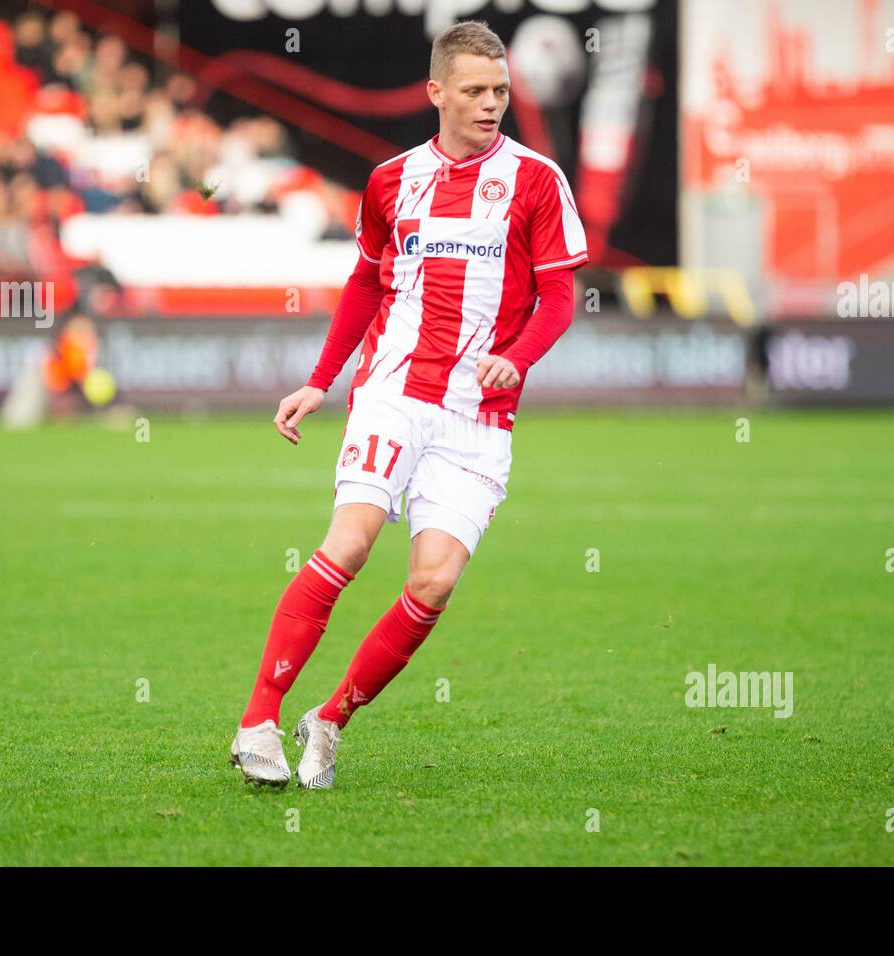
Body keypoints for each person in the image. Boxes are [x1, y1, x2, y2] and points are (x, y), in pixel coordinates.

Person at [229, 19, 588, 789]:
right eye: (475, 91)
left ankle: (327, 721)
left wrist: (515, 360)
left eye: (499, 91)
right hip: (393, 391)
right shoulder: (391, 180)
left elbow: (560, 293)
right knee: (351, 542)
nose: (491, 104)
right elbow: (365, 282)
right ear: (436, 93)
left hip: (478, 416)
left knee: (432, 581)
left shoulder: (536, 180)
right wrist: (320, 379)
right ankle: (258, 721)